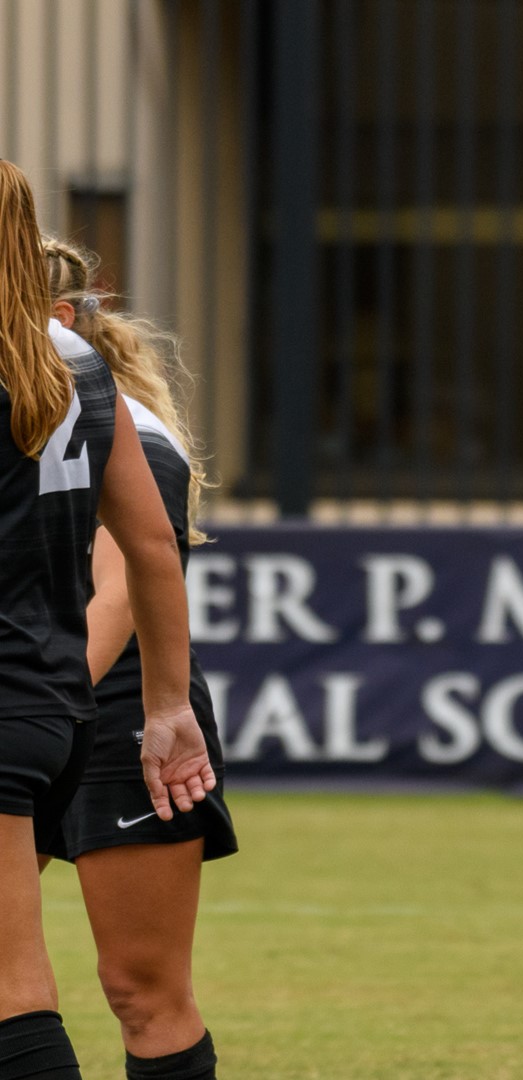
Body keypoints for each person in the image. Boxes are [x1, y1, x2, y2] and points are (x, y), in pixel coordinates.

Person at [0, 160, 214, 1078]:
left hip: (86, 698)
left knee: (133, 986)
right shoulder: (72, 379)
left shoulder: (95, 399)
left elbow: (136, 574)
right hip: (48, 699)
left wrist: (79, 707)